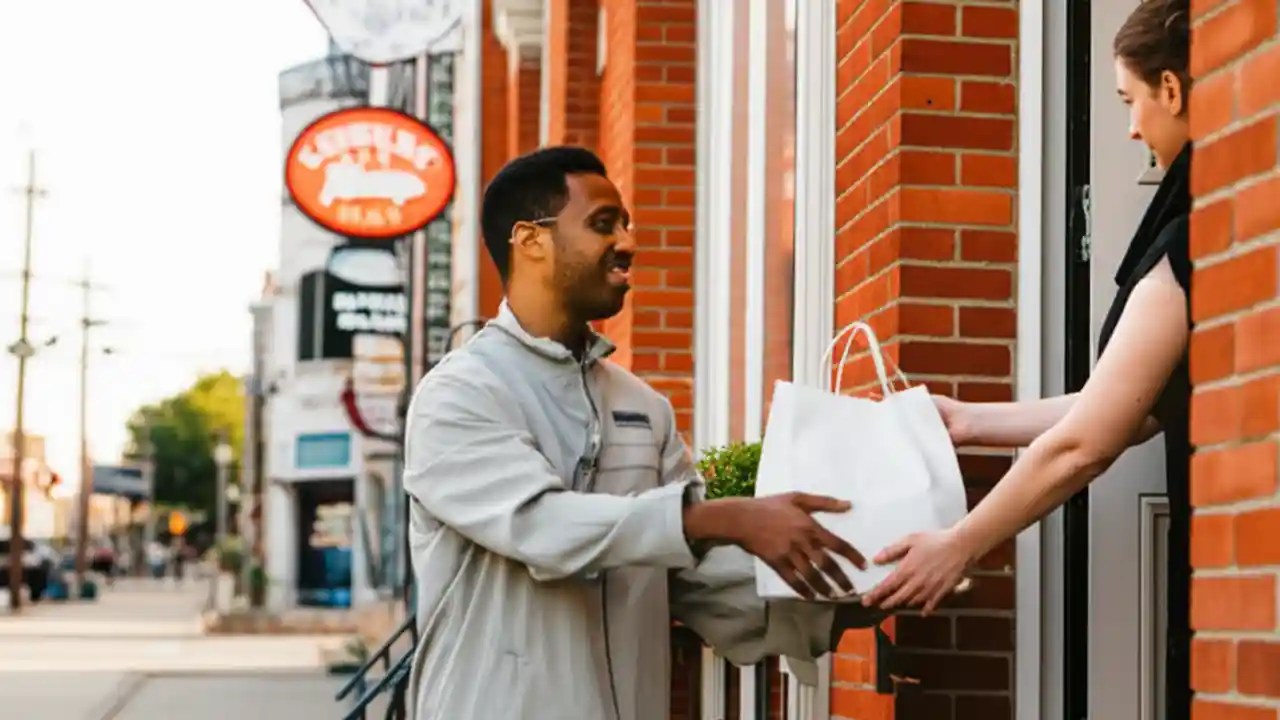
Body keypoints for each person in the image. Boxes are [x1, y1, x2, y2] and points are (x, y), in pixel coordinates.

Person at [403, 146, 882, 720]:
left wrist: (858, 591)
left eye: (626, 225)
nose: (627, 243)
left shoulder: (640, 405)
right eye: (603, 225)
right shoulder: (460, 393)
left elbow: (690, 576)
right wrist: (721, 516)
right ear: (530, 240)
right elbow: (541, 527)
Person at [862, 0, 1194, 716]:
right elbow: (1123, 404)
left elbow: (1085, 442)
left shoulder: (1189, 239)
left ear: (1171, 90)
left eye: (1131, 100)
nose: (1133, 127)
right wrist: (968, 423)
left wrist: (960, 543)